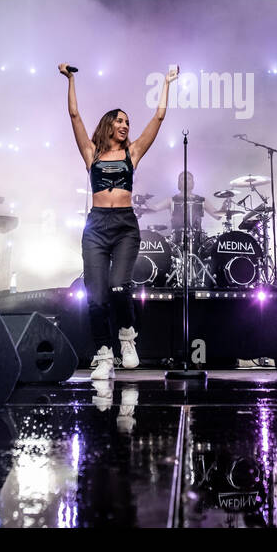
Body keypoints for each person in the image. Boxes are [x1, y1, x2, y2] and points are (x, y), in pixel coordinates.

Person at [62, 62, 177, 380]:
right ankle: (104, 355)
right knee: (95, 295)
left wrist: (166, 83)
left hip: (125, 226)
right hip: (96, 227)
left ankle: (127, 339)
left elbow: (159, 117)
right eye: (120, 121)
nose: (126, 125)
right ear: (109, 125)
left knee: (117, 286)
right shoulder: (91, 154)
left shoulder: (133, 153)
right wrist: (71, 79)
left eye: (128, 121)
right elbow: (74, 116)